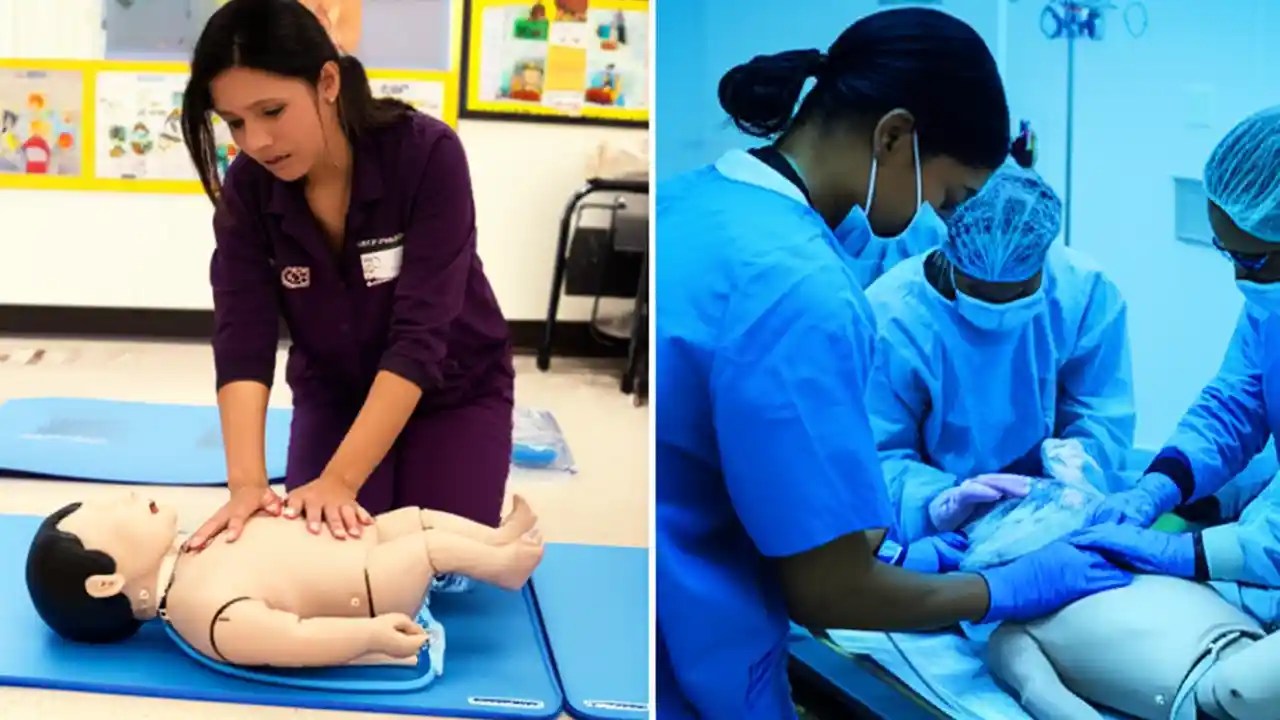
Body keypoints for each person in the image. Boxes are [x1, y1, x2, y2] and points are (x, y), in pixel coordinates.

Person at [654, 8, 1134, 719]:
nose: (939, 220)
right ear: (894, 136)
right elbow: (828, 588)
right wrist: (1004, 589)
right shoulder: (804, 285)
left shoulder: (688, 200)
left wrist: (921, 551)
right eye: (950, 196)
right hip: (699, 661)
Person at [179, 0, 514, 552]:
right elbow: (243, 336)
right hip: (336, 393)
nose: (255, 141)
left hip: (454, 385)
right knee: (325, 552)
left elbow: (420, 338)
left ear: (327, 81)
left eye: (272, 111)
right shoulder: (249, 187)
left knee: (439, 557)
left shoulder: (426, 154)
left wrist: (339, 481)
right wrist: (247, 486)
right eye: (235, 122)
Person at [865, 164, 1135, 542]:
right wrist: (938, 502)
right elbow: (878, 454)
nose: (998, 310)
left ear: (1042, 256)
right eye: (978, 289)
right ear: (950, 249)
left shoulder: (1084, 293)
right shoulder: (893, 314)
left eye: (1020, 290)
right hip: (938, 534)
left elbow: (1102, 416)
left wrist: (1074, 474)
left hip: (1058, 522)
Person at [24, 492, 543, 668]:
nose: (124, 498)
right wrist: (369, 637)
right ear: (104, 583)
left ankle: (497, 540)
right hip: (368, 587)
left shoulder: (188, 549)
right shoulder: (205, 614)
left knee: (415, 517)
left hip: (361, 543)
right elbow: (293, 637)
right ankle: (505, 567)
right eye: (107, 514)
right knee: (427, 548)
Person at [1088, 105, 1280, 529]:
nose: (1238, 276)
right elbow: (1234, 406)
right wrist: (1160, 484)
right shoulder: (1268, 311)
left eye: (1253, 259)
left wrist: (1193, 554)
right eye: (1226, 252)